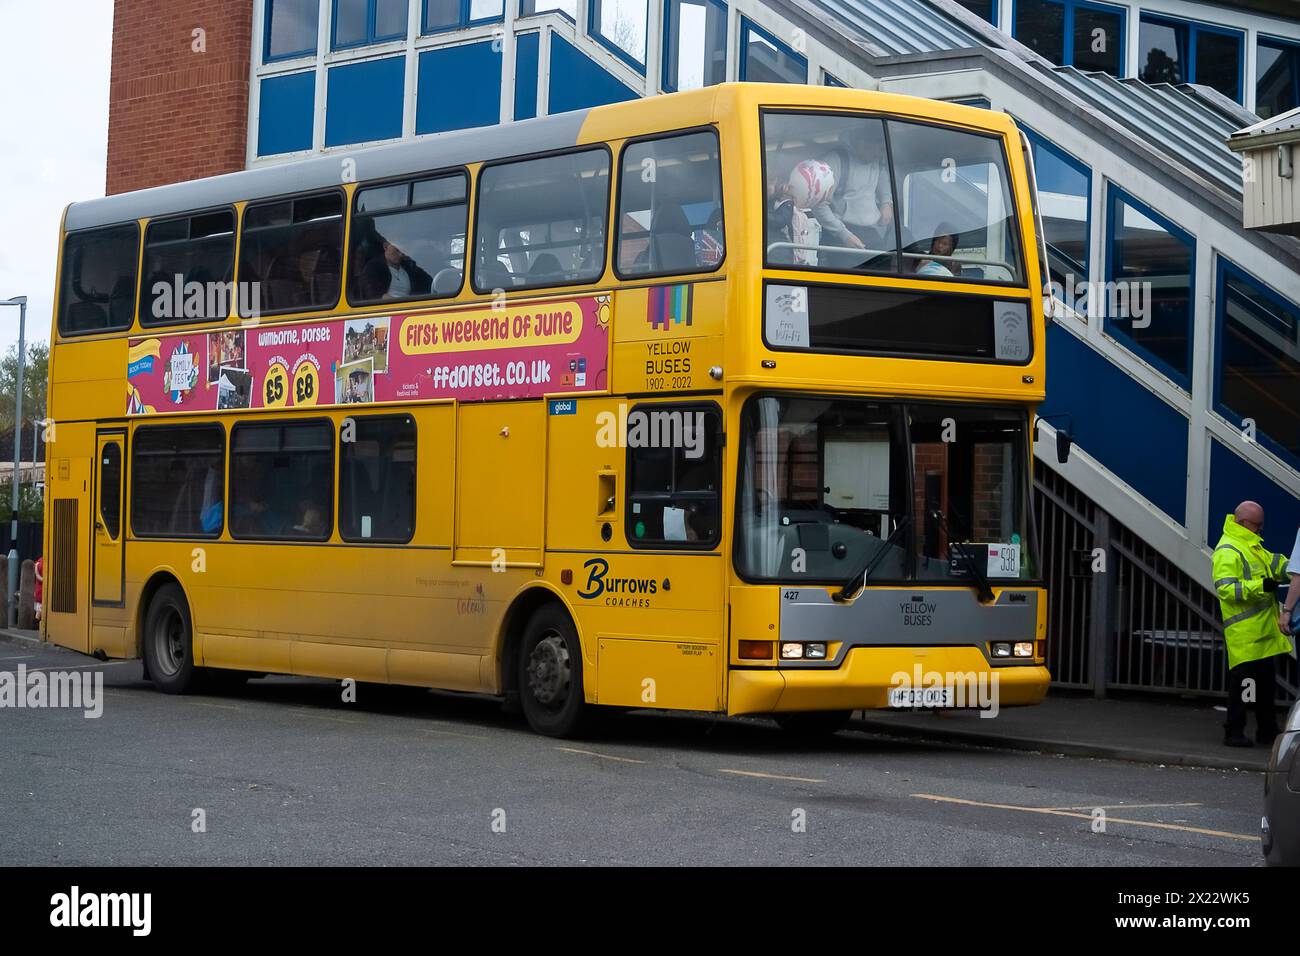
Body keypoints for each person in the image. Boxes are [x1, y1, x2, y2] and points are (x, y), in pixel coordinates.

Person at [1211, 501, 1294, 747]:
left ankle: (1265, 731)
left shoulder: (1250, 545)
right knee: (1243, 688)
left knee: (1263, 687)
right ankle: (1234, 732)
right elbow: (1226, 590)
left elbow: (1274, 563)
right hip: (1245, 635)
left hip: (1260, 633)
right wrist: (1262, 587)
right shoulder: (1228, 550)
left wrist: (1294, 569)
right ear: (1241, 522)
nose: (1260, 529)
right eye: (1256, 525)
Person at [811, 125, 895, 264]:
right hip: (839, 235)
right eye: (876, 149)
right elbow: (818, 204)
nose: (878, 155)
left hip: (871, 232)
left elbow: (882, 177)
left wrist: (887, 202)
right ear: (861, 143)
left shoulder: (877, 161)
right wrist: (843, 234)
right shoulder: (835, 161)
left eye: (881, 150)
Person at [360, 237, 432, 300]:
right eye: (397, 250)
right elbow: (375, 295)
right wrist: (402, 305)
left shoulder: (410, 268)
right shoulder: (373, 267)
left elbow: (429, 284)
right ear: (385, 246)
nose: (401, 254)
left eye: (403, 251)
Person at [33, 556, 43, 624]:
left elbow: (37, 575)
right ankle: (36, 622)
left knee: (38, 608)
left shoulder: (38, 562)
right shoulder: (43, 563)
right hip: (42, 590)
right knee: (40, 608)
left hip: (38, 589)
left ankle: (35, 622)